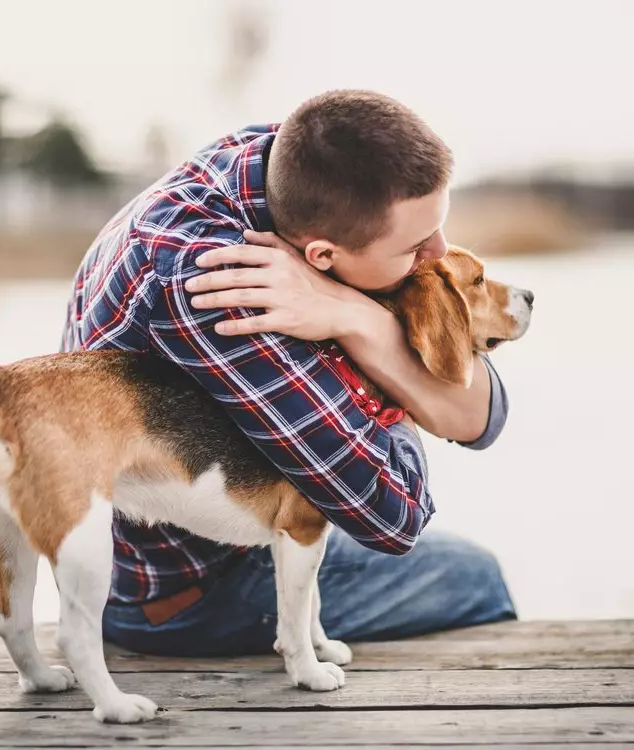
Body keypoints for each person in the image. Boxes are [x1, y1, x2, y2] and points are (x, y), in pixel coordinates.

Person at [60, 89, 516, 657]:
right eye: (416, 247)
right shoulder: (224, 286)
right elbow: (395, 516)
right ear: (321, 255)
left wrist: (360, 320)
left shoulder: (285, 162)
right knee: (476, 577)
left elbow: (482, 418)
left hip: (266, 526)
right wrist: (380, 351)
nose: (441, 253)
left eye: (440, 227)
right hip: (184, 593)